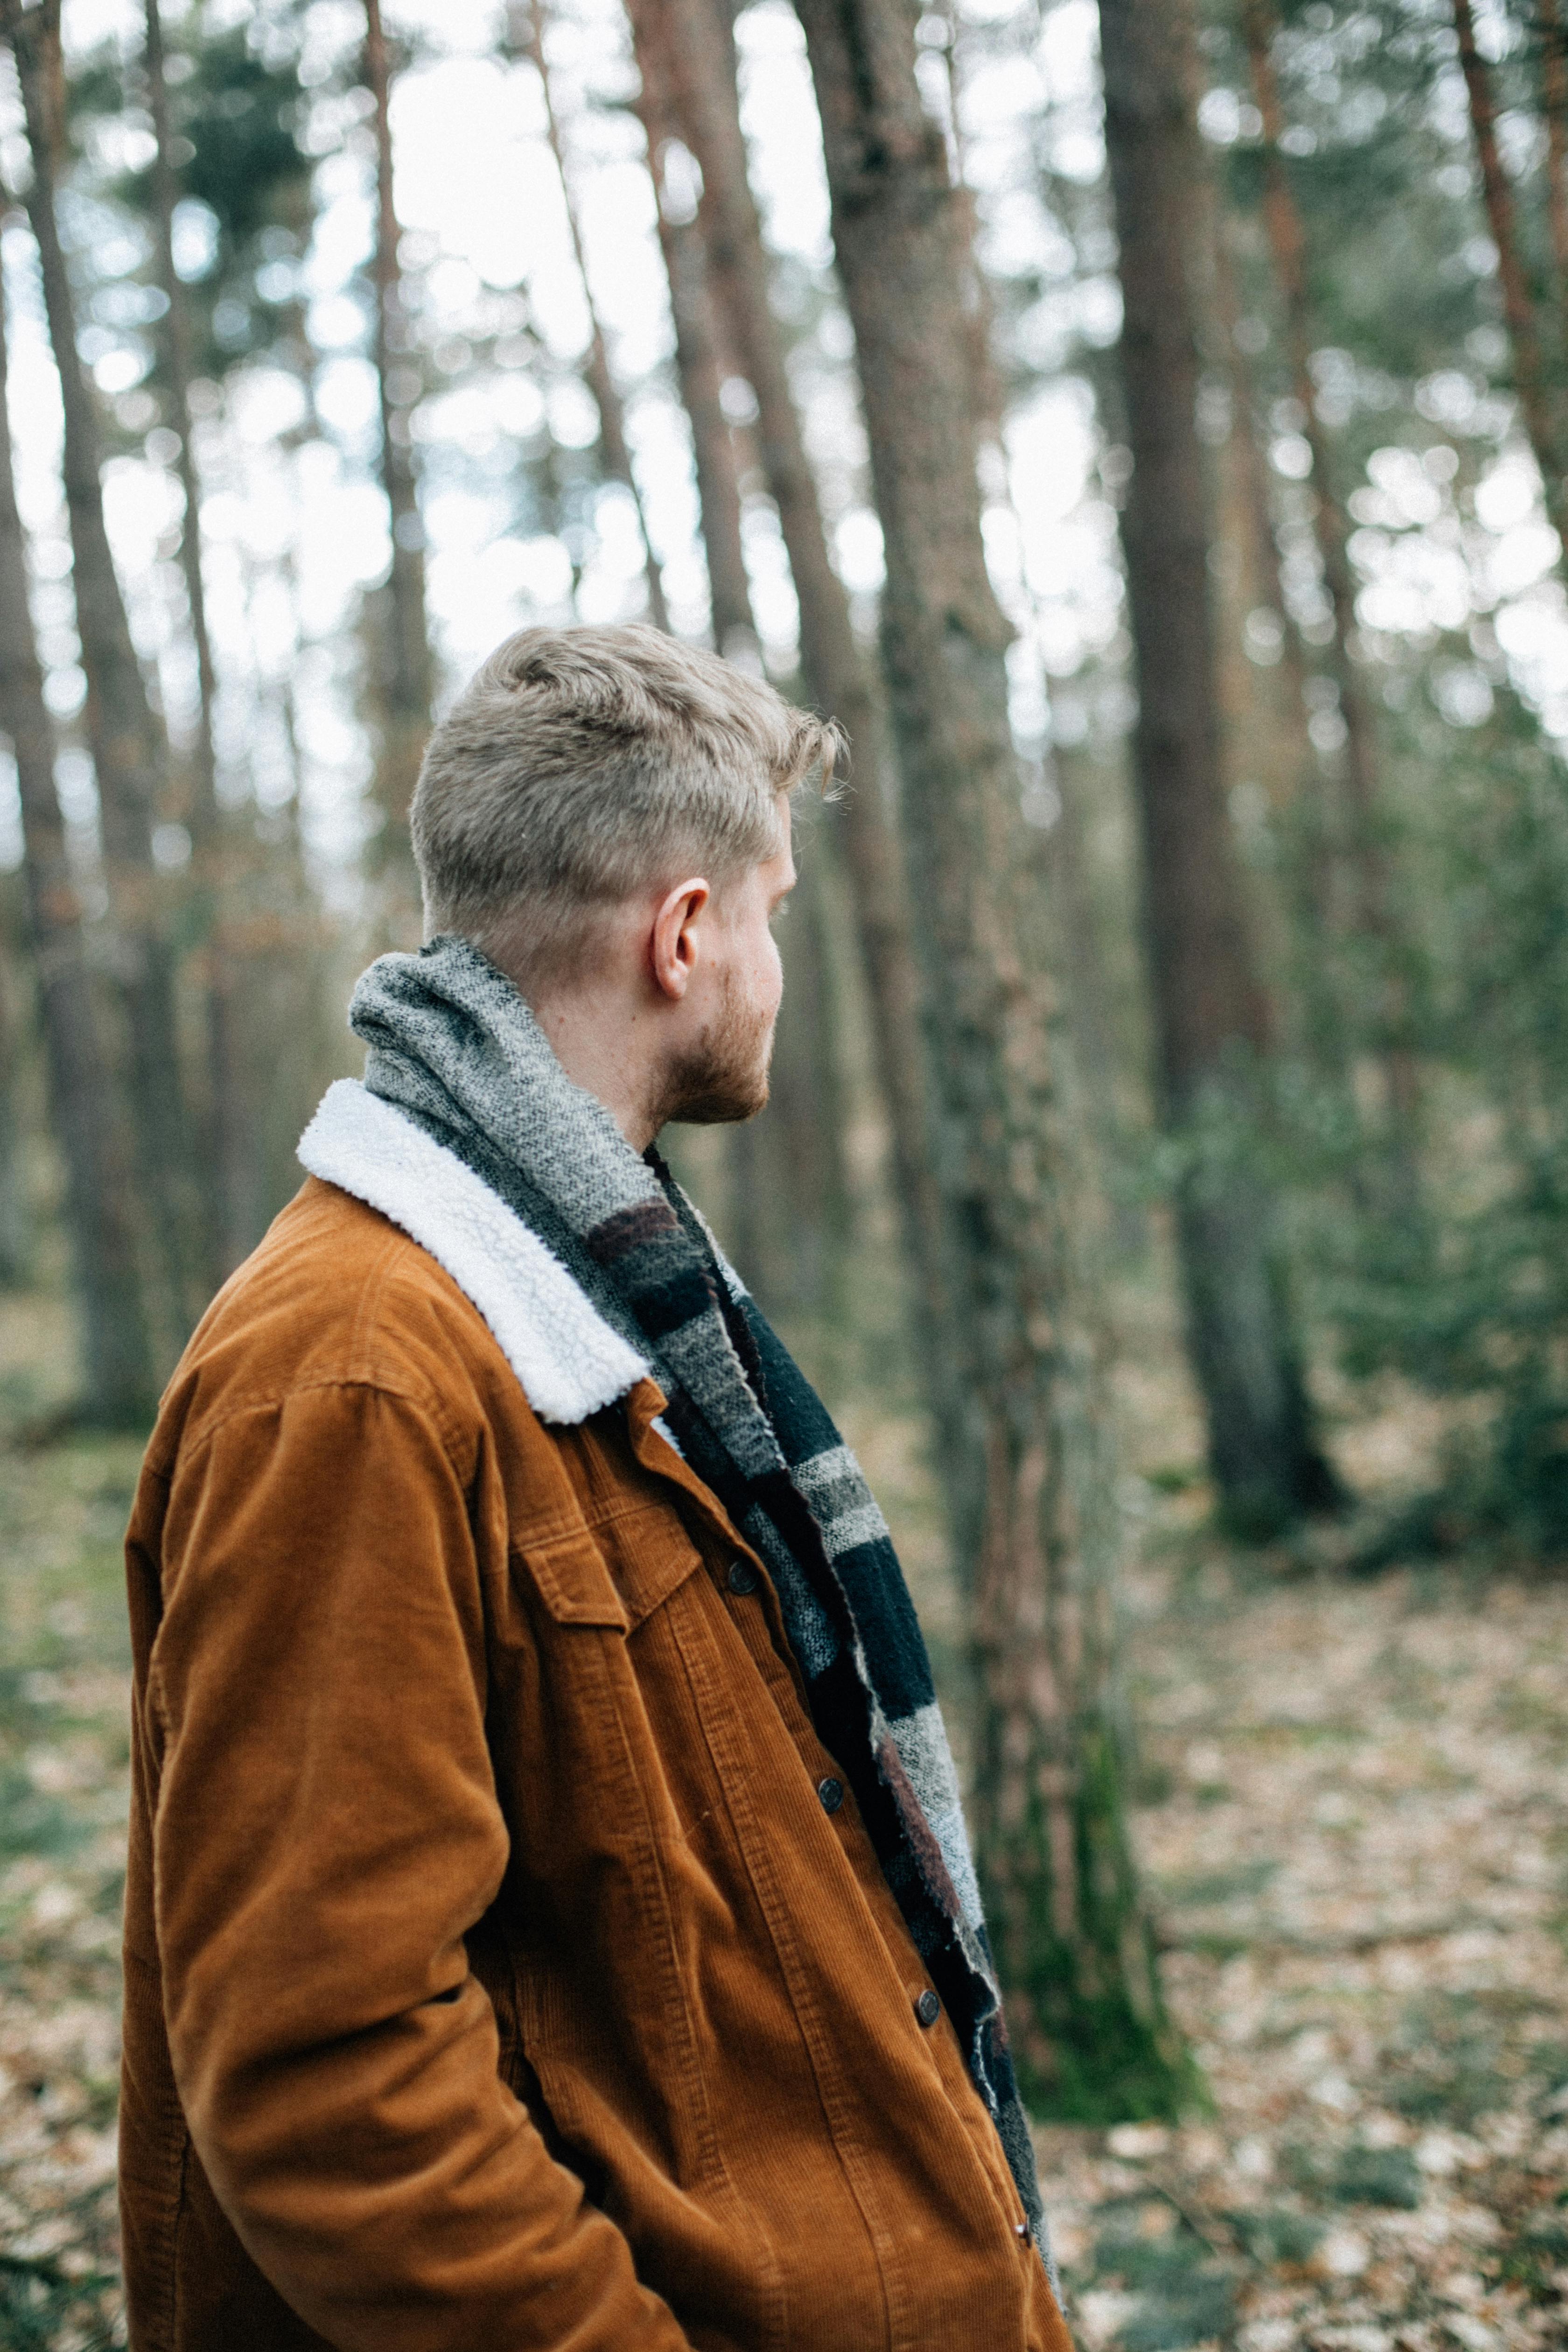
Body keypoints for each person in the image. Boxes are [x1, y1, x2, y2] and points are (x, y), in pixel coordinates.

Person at [118, 625, 1074, 2351]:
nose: (772, 964)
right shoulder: (353, 1374)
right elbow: (330, 2082)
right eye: (769, 913)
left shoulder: (605, 1303)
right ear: (685, 934)